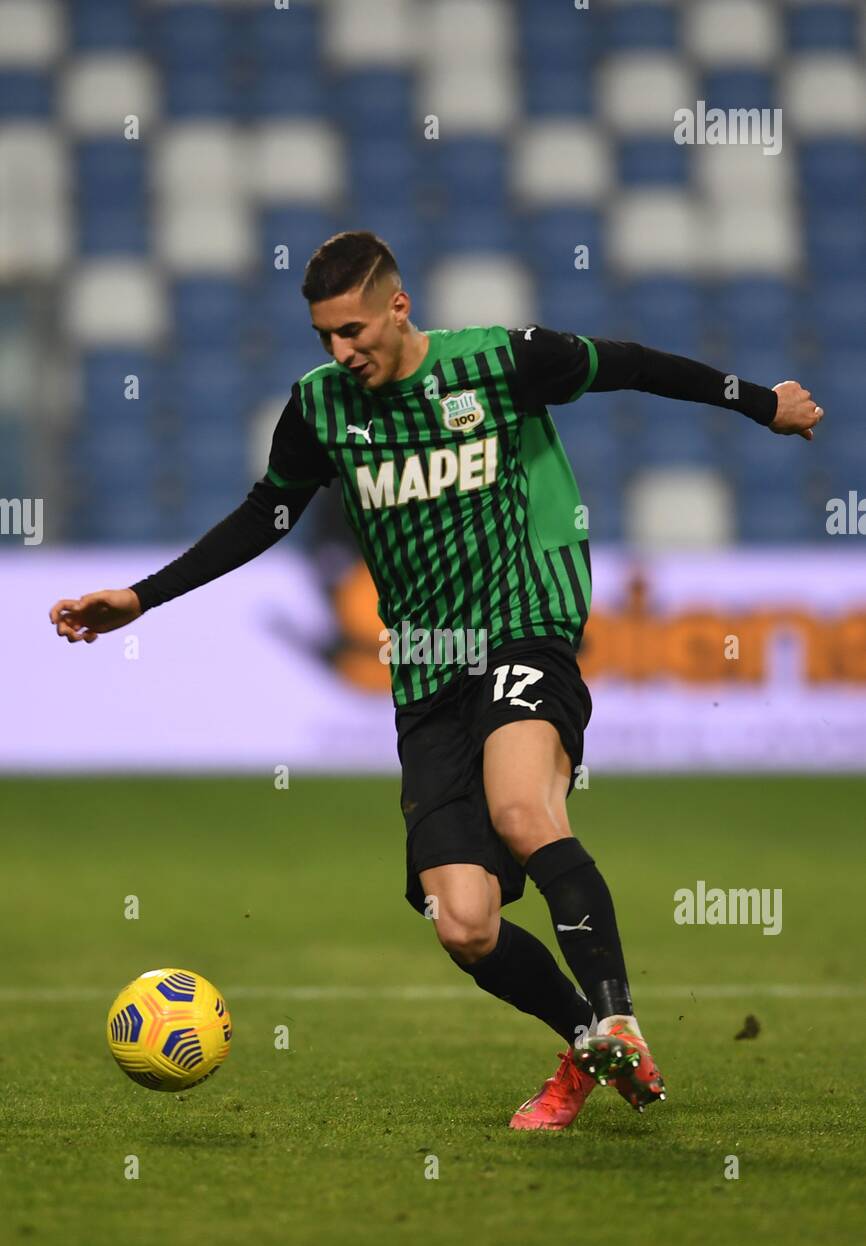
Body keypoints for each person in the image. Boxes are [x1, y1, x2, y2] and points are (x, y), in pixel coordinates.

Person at [50, 231, 824, 1130]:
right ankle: (588, 1045)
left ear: (397, 306)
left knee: (524, 813)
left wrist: (764, 403)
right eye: (324, 337)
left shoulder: (503, 361)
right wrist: (143, 597)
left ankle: (619, 1013)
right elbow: (268, 513)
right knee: (464, 922)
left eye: (352, 330)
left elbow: (635, 365)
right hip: (424, 670)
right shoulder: (320, 409)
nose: (342, 351)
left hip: (523, 630)